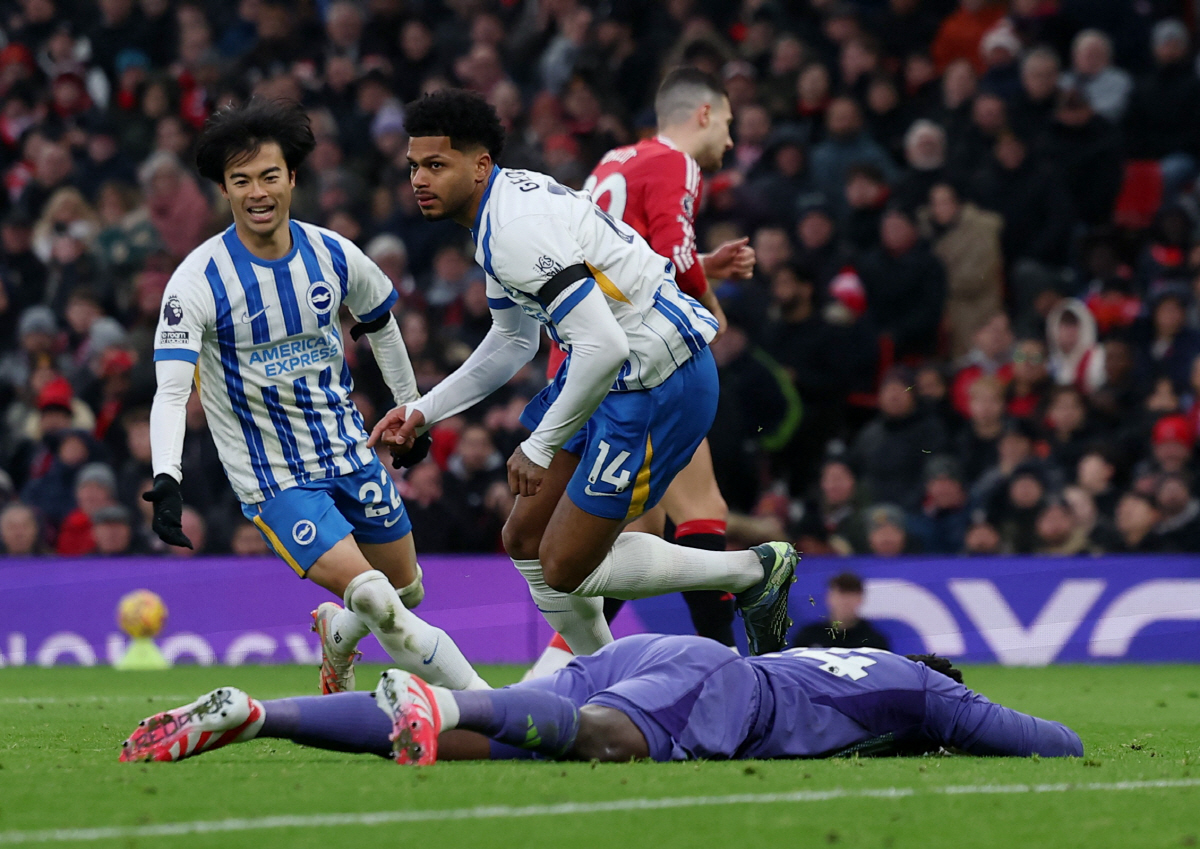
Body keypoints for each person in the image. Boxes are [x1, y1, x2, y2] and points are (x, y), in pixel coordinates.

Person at [370, 89, 798, 659]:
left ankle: (752, 570)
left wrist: (542, 445)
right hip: (608, 373)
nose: (419, 179)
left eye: (435, 165)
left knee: (566, 564)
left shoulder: (514, 228)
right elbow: (513, 340)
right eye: (415, 167)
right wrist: (424, 410)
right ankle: (602, 682)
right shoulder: (497, 216)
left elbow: (606, 344)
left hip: (658, 381)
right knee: (522, 538)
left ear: (479, 166)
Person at [143, 98, 488, 696]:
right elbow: (172, 390)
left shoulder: (332, 253)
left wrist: (411, 411)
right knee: (381, 599)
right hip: (275, 478)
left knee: (406, 591)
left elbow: (380, 323)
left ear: (292, 178)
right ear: (225, 189)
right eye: (241, 180)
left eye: (269, 176)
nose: (257, 192)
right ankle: (494, 710)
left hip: (350, 453)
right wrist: (166, 475)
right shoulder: (197, 281)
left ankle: (337, 636)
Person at [120, 634, 1083, 765]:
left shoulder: (843, 656)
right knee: (611, 745)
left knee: (470, 741)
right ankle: (444, 699)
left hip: (650, 650)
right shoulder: (921, 686)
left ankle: (257, 713)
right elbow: (1052, 740)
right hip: (716, 682)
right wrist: (951, 719)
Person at [548, 68, 756, 656]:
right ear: (705, 114)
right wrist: (712, 309)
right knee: (701, 509)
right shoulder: (676, 162)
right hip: (641, 357)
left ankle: (563, 668)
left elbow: (626, 253)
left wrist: (703, 266)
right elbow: (671, 250)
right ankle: (727, 662)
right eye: (730, 126)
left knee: (639, 526)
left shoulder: (618, 160)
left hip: (586, 350)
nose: (731, 145)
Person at [792, 572, 890, 651]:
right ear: (829, 597)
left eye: (851, 595)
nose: (845, 601)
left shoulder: (873, 641)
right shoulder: (810, 636)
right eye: (841, 594)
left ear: (860, 599)